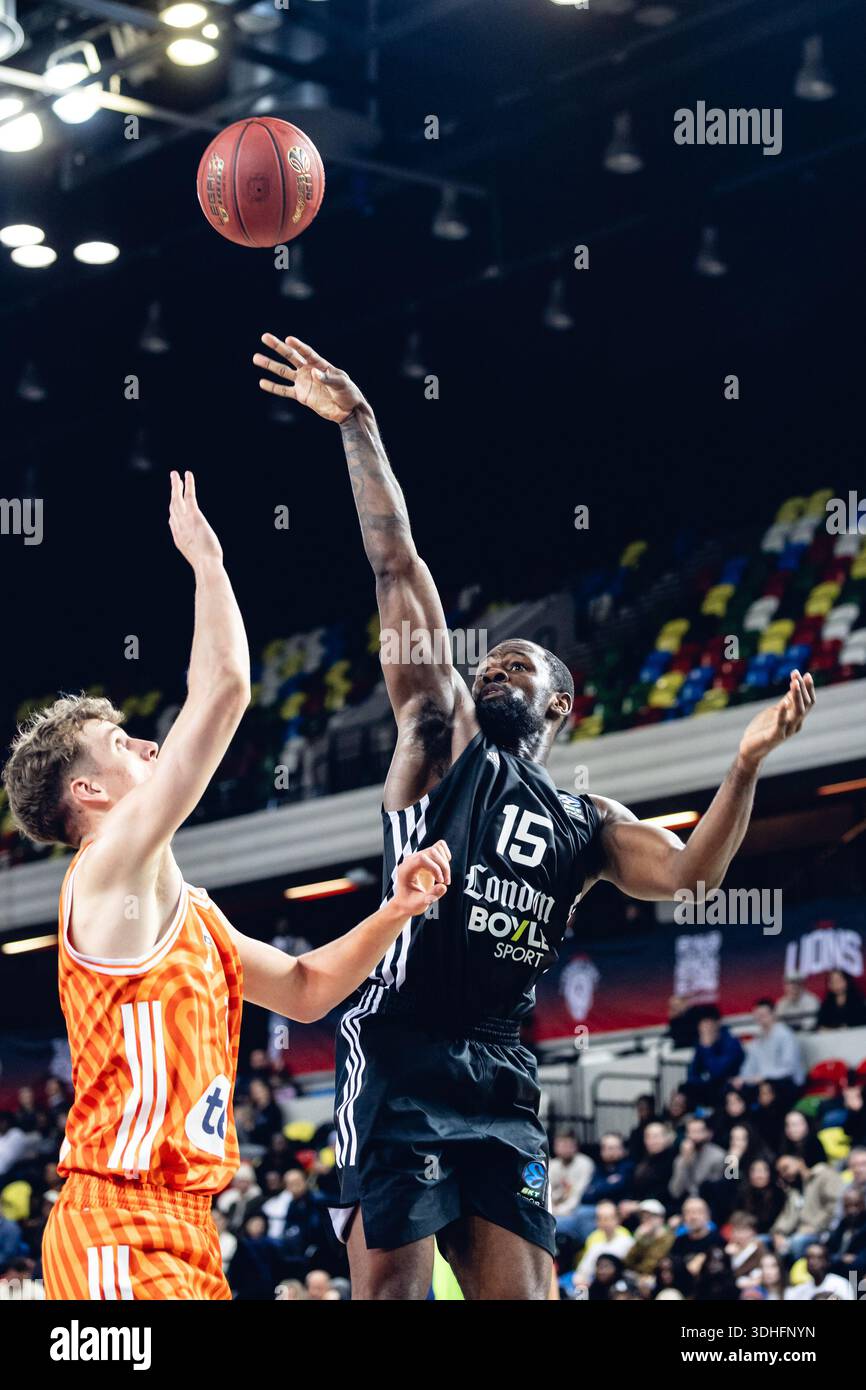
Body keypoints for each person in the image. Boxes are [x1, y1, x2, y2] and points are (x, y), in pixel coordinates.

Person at [252, 328, 818, 1300]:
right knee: (393, 1293)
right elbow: (397, 572)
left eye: (516, 663)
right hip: (400, 1050)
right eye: (486, 662)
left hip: (501, 1076)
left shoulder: (586, 818)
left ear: (560, 703)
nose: (491, 667)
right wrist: (360, 425)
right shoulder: (439, 739)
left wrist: (742, 764)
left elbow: (692, 877)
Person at [2, 472, 452, 1302]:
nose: (148, 747)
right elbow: (224, 692)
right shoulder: (102, 873)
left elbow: (311, 990)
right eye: (126, 744)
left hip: (189, 1228)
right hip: (115, 1226)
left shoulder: (194, 916)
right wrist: (208, 563)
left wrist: (396, 908)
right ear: (87, 795)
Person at [772, 1153, 844, 1261]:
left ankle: (799, 1276)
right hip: (796, 1233)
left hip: (822, 1232)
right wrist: (777, 1233)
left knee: (797, 1242)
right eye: (780, 1172)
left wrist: (815, 1226)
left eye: (786, 1168)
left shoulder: (825, 1175)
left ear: (799, 1162)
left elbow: (834, 1206)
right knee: (762, 1241)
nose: (784, 1174)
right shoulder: (794, 1190)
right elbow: (787, 1216)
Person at [734, 999, 805, 1097]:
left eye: (763, 1015)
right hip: (764, 1082)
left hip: (787, 1083)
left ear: (773, 1014)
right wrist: (741, 1079)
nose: (760, 1018)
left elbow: (788, 1069)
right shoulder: (757, 1040)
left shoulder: (785, 1035)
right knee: (734, 1088)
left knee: (768, 1088)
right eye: (757, 1015)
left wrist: (764, 1077)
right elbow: (749, 1066)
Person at [684, 1009, 745, 1108]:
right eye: (702, 1025)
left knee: (721, 1088)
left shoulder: (731, 1042)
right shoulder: (701, 1044)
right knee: (686, 1088)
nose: (705, 1029)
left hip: (729, 1085)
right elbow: (692, 1073)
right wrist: (702, 1080)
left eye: (708, 1024)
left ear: (717, 1023)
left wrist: (707, 1048)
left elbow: (718, 1071)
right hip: (710, 1084)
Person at [573, 1200, 633, 1286]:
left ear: (617, 1219)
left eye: (607, 1218)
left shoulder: (626, 1239)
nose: (603, 1222)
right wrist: (581, 1280)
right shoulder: (594, 1240)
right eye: (599, 1218)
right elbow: (583, 1270)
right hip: (597, 1283)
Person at [669, 1116, 726, 1200]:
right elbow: (675, 1192)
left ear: (708, 1133)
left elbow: (715, 1191)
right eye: (691, 1132)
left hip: (707, 1202)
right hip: (684, 1202)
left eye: (698, 1132)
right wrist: (685, 1161)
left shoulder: (719, 1156)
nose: (694, 1136)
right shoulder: (681, 1158)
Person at [548, 1130, 594, 1223]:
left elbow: (578, 1194)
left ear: (575, 1147)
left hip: (576, 1208)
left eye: (568, 1145)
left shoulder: (585, 1164)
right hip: (553, 1209)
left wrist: (558, 1211)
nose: (565, 1149)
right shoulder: (553, 1165)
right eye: (561, 1145)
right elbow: (547, 1192)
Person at [784, 1243, 854, 1301]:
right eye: (809, 1258)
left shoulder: (840, 1284)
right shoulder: (802, 1289)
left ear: (827, 1261)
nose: (812, 1262)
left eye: (818, 1258)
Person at [622, 1199, 675, 1276]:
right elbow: (628, 1262)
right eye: (643, 1217)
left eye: (650, 1217)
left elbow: (651, 1265)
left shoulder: (669, 1238)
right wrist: (639, 1240)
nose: (646, 1221)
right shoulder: (642, 1237)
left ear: (661, 1219)